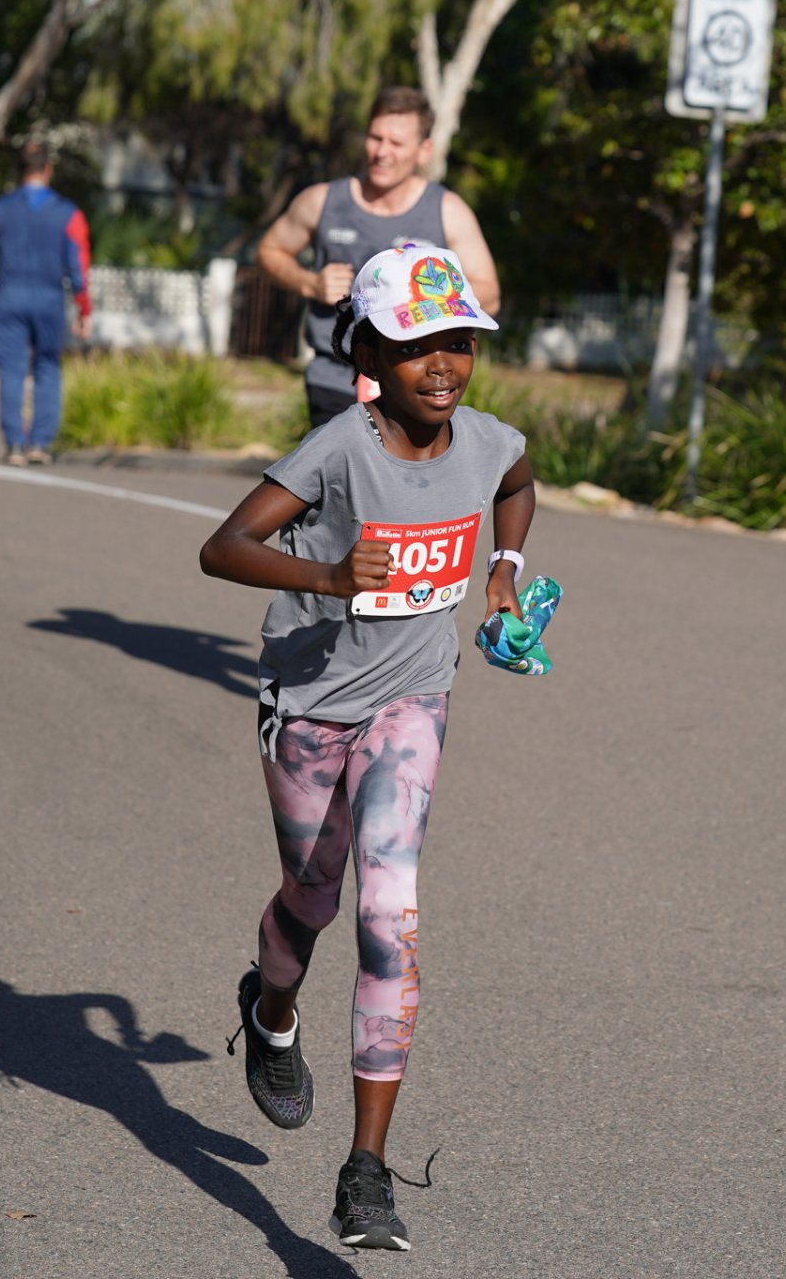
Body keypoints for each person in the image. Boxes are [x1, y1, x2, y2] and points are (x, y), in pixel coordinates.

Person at [198, 243, 536, 1252]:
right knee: (312, 892)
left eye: (459, 342)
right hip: (307, 701)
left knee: (390, 910)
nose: (444, 363)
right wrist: (335, 577)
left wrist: (505, 573)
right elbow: (223, 546)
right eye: (418, 343)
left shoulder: (484, 440)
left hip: (412, 701)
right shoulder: (340, 447)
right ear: (374, 352)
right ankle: (270, 1008)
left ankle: (366, 1171)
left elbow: (518, 478)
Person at [256, 86, 502, 428]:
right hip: (336, 379)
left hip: (418, 383)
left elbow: (490, 295)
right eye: (375, 138)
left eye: (396, 143)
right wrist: (309, 282)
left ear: (423, 150)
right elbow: (269, 251)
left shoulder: (448, 211)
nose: (382, 152)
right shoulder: (323, 201)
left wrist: (431, 296)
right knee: (344, 480)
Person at [0, 140, 93, 466]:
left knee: (11, 371)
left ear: (19, 169)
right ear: (48, 168)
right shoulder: (69, 214)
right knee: (47, 367)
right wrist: (84, 308)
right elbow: (78, 265)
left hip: (10, 297)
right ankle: (39, 444)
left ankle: (15, 443)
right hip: (49, 299)